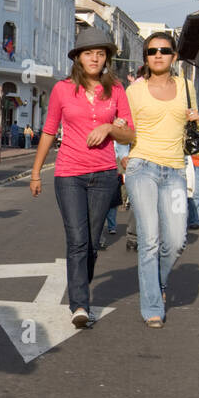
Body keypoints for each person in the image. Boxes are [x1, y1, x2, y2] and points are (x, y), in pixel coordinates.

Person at [29, 23, 134, 327]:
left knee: (91, 242)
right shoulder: (62, 89)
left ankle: (79, 285)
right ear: (78, 58)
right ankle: (80, 304)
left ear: (106, 59)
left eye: (100, 54)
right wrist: (36, 173)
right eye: (89, 53)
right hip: (69, 174)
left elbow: (129, 134)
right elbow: (49, 131)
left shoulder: (116, 90)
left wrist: (110, 127)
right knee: (76, 239)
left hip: (103, 174)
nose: (95, 59)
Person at [122, 31, 198, 328]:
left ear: (174, 57)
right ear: (146, 57)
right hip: (142, 168)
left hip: (175, 171)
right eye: (152, 51)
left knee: (177, 240)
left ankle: (159, 283)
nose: (158, 55)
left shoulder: (187, 87)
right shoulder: (135, 91)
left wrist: (195, 119)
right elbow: (126, 127)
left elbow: (192, 124)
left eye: (164, 50)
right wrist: (121, 155)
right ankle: (152, 305)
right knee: (149, 238)